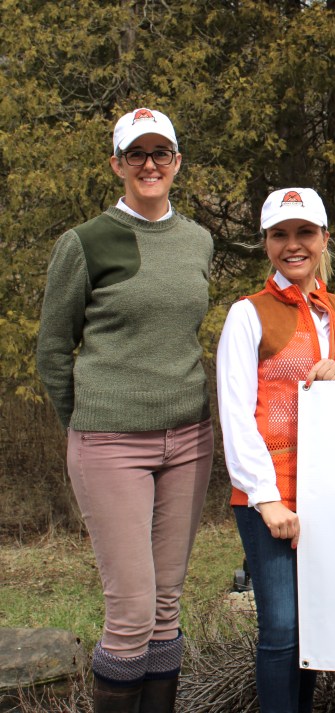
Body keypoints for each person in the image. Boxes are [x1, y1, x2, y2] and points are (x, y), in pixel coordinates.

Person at [36, 108, 214, 713]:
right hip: (110, 443)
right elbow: (53, 349)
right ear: (117, 163)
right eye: (135, 154)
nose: (149, 164)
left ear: (177, 163)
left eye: (160, 152)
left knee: (167, 606)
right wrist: (87, 420)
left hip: (190, 438)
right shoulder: (84, 243)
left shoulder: (197, 239)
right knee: (133, 610)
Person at [217, 187, 335, 713]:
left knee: (313, 630)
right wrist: (266, 497)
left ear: (325, 237)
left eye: (305, 232)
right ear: (266, 243)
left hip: (331, 495)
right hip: (271, 497)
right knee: (281, 628)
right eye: (280, 234)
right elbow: (236, 414)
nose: (293, 245)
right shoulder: (248, 315)